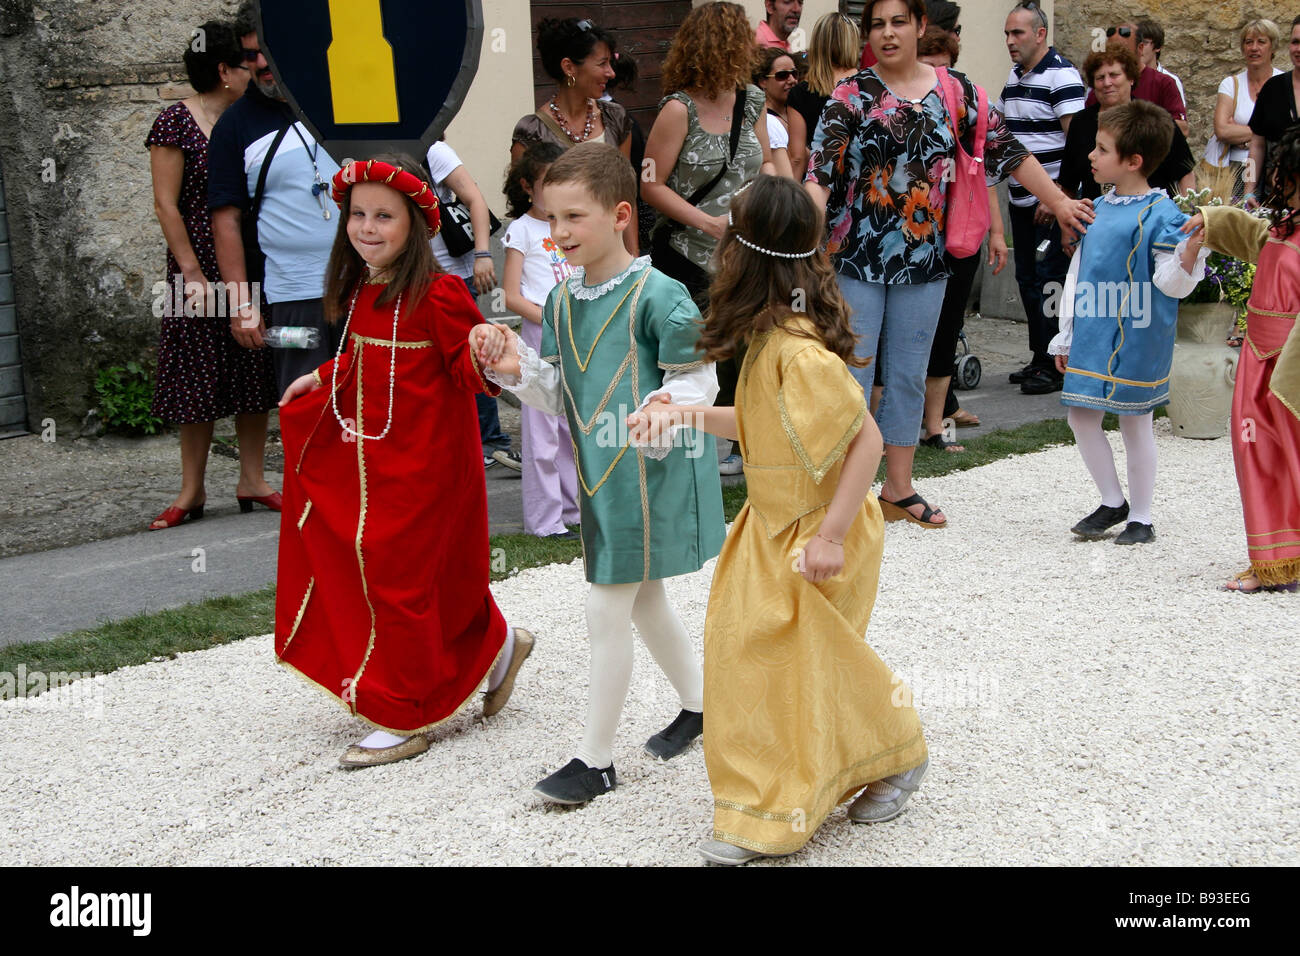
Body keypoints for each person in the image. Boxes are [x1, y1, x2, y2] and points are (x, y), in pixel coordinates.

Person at [627, 176, 928, 865]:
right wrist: (687, 413)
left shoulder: (796, 349)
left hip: (819, 528)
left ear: (742, 254)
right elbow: (765, 424)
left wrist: (827, 538)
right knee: (755, 658)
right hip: (772, 525)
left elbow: (868, 442)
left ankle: (856, 770)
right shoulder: (770, 339)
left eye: (726, 234)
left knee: (797, 662)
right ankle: (797, 786)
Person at [470, 143, 725, 805]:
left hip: (651, 477)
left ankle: (596, 759)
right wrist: (510, 368)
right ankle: (702, 707)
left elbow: (699, 379)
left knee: (606, 605)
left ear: (618, 215)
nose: (558, 233)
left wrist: (669, 407)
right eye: (551, 218)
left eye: (573, 218)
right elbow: (559, 395)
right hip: (601, 483)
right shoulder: (559, 304)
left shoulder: (659, 295)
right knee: (643, 601)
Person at [274, 156, 534, 768]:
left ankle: (406, 713)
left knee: (402, 581)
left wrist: (486, 348)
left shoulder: (439, 292)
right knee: (393, 574)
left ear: (415, 225)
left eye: (383, 216)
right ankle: (496, 649)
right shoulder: (365, 285)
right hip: (378, 462)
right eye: (357, 215)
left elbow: (470, 366)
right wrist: (318, 374)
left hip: (430, 468)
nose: (367, 227)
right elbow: (367, 362)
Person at [806, 0, 1094, 529]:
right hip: (854, 259)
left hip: (926, 258)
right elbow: (820, 173)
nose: (887, 34)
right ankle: (838, 492)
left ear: (919, 26)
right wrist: (802, 228)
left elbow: (1008, 151)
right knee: (851, 373)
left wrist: (1056, 201)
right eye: (877, 25)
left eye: (898, 22)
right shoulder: (850, 94)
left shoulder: (957, 91)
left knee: (909, 374)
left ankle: (898, 489)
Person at [1048, 102, 1206, 546]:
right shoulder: (1095, 207)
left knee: (1135, 421)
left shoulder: (1163, 214)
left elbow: (1171, 284)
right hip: (1094, 329)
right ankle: (1112, 500)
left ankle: (1141, 515)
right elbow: (1077, 274)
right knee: (1081, 416)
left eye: (1101, 149)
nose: (1091, 157)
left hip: (1139, 335)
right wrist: (1066, 333)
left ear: (1133, 161)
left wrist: (1189, 253)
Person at [145, 20, 279, 529]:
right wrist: (192, 273)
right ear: (224, 71)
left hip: (248, 259)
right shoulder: (175, 123)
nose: (256, 69)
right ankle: (192, 490)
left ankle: (253, 479)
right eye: (247, 62)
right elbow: (166, 205)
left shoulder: (254, 119)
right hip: (194, 269)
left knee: (252, 369)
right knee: (195, 378)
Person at [643, 0, 775, 476]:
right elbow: (650, 182)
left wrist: (774, 194)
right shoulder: (678, 110)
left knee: (749, 353)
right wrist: (706, 222)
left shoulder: (752, 101)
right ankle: (683, 456)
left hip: (745, 254)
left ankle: (748, 450)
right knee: (696, 357)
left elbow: (765, 161)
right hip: (686, 256)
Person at [1181, 126, 1300, 592]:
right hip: (1259, 361)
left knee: (1290, 459)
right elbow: (1256, 237)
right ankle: (1273, 560)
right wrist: (1212, 220)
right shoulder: (1284, 226)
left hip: (1290, 367)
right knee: (1259, 457)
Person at [209, 1, 343, 407]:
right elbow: (225, 222)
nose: (263, 63)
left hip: (363, 282)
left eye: (269, 50)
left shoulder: (340, 99)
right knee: (305, 407)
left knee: (374, 401)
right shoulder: (235, 126)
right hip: (293, 298)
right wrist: (242, 307)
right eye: (250, 55)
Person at [916, 27, 1007, 448]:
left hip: (959, 235)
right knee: (904, 329)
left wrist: (997, 232)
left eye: (944, 61)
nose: (938, 70)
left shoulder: (970, 105)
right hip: (914, 236)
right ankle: (889, 424)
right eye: (929, 61)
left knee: (948, 325)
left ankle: (935, 425)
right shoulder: (907, 108)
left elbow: (983, 169)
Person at [999, 0, 1086, 396]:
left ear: (1040, 34)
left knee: (1050, 280)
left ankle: (1055, 364)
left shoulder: (1061, 76)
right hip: (1020, 202)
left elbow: (1078, 143)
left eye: (1017, 33)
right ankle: (1038, 356)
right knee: (1028, 279)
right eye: (1006, 33)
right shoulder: (1015, 78)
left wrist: (1056, 198)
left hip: (1050, 204)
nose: (1010, 41)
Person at [501, 142, 580, 538]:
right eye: (548, 181)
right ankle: (544, 519)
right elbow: (513, 295)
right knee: (542, 429)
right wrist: (551, 320)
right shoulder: (522, 230)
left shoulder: (570, 225)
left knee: (570, 427)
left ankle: (572, 510)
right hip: (539, 334)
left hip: (576, 332)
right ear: (528, 186)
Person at [425, 138, 518, 471]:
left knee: (471, 356)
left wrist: (483, 254)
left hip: (452, 276)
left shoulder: (432, 151)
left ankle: (492, 443)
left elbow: (474, 198)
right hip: (414, 277)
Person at [510, 17, 637, 254]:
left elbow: (625, 194)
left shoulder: (615, 118)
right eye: (602, 64)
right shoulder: (532, 132)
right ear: (569, 67)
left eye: (610, 63)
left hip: (610, 254)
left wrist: (633, 258)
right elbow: (522, 205)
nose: (610, 73)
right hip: (558, 258)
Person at [1059, 48, 1196, 207]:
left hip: (1151, 218)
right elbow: (1069, 183)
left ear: (1131, 78)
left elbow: (1185, 172)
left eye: (1114, 75)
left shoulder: (1155, 119)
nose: (1107, 83)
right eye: (1100, 78)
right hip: (1097, 220)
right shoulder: (1081, 123)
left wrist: (1187, 213)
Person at [1203, 20, 1283, 206]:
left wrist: (1245, 135)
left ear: (1273, 47)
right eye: (1248, 42)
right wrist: (1264, 133)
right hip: (1238, 170)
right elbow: (1222, 130)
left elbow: (1288, 130)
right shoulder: (1231, 84)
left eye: (1261, 42)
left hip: (1275, 170)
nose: (1254, 48)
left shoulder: (1282, 83)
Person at [787, 12, 861, 180]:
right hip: (860, 189)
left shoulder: (801, 93)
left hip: (819, 185)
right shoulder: (869, 87)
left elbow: (797, 158)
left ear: (818, 44)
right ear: (852, 43)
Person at [1087, 20, 1186, 134]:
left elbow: (1182, 129)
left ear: (1140, 48)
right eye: (1111, 49)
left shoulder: (1164, 82)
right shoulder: (1100, 87)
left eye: (1123, 50)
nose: (1116, 55)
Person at [1247, 17, 1300, 208]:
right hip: (1276, 201)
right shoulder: (1272, 89)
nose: (1298, 49)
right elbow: (1256, 146)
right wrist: (1248, 189)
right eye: (1295, 42)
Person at [754, 46, 798, 179]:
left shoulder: (795, 114)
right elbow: (784, 179)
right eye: (782, 75)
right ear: (763, 81)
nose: (792, 80)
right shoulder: (767, 123)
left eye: (794, 73)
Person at [1136, 18, 1185, 121]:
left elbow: (1179, 122)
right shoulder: (1126, 78)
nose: (1139, 47)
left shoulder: (1171, 81)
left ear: (1157, 47)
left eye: (1144, 43)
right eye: (1136, 42)